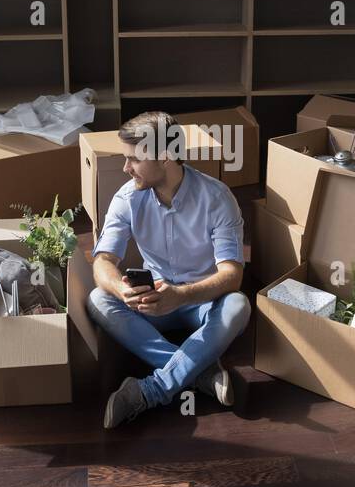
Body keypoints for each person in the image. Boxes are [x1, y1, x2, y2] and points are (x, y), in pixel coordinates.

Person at [86, 111, 250, 428]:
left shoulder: (217, 198)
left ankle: (151, 389)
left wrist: (182, 295)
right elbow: (103, 262)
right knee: (98, 299)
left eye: (134, 158)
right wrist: (122, 289)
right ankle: (198, 371)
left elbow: (232, 275)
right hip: (151, 299)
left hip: (202, 300)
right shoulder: (127, 197)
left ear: (164, 157)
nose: (125, 168)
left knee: (238, 305)